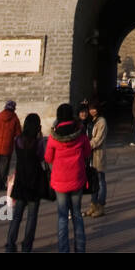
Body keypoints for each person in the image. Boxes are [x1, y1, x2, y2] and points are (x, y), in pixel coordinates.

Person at [43, 102, 91, 253]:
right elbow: (87, 153)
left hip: (60, 181)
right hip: (77, 178)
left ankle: (63, 250)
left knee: (62, 217)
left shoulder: (54, 137)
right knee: (77, 214)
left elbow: (48, 157)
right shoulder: (80, 133)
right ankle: (80, 248)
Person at [5, 113, 47, 253]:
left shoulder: (18, 140)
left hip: (21, 181)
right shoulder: (39, 143)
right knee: (31, 217)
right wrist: (40, 138)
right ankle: (26, 246)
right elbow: (42, 158)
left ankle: (10, 245)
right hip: (34, 182)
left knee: (16, 217)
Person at [0, 100, 21, 192]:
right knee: (4, 167)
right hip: (7, 147)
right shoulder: (15, 119)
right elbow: (18, 133)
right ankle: (1, 185)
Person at [85, 100, 107, 217]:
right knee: (93, 181)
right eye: (90, 109)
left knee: (100, 180)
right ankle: (93, 204)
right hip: (90, 155)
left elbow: (98, 139)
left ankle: (101, 205)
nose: (92, 111)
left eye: (94, 108)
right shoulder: (91, 121)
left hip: (98, 154)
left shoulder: (101, 121)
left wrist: (86, 146)